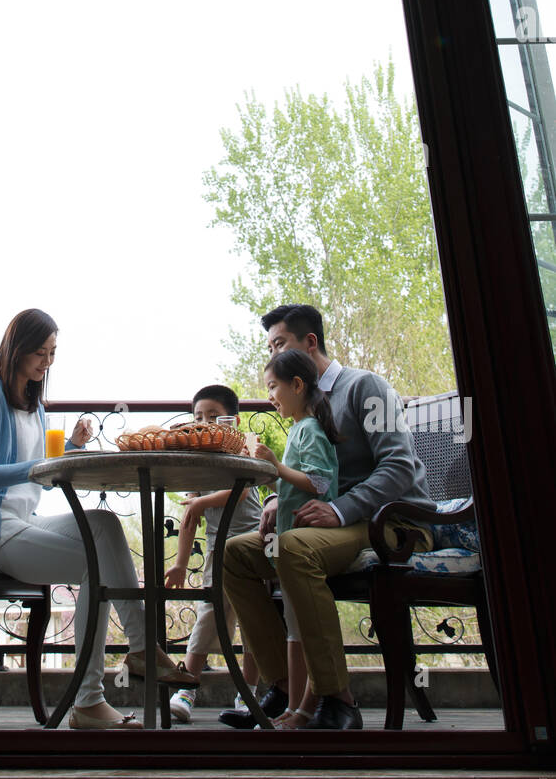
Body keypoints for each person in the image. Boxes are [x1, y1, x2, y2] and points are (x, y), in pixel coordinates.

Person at [0, 307, 196, 730]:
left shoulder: (33, 402)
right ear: (17, 349)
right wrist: (40, 466)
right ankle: (88, 702)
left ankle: (141, 647)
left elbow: (43, 479)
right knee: (93, 565)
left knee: (104, 524)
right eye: (41, 353)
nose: (47, 362)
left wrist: (69, 449)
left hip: (22, 518)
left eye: (52, 353)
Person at [220, 303, 436, 731]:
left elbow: (400, 467)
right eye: (270, 347)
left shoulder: (366, 386)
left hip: (392, 524)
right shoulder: (303, 404)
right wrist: (278, 501)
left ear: (310, 343)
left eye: (280, 344)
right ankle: (282, 687)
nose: (275, 355)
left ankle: (337, 699)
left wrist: (338, 510)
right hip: (333, 527)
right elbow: (315, 472)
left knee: (296, 548)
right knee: (237, 553)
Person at [164, 385, 261, 723]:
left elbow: (244, 490)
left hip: (252, 542)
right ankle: (187, 688)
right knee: (211, 610)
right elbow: (190, 517)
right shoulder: (199, 457)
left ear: (232, 420)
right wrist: (178, 564)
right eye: (198, 417)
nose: (205, 423)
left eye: (213, 416)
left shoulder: (245, 443)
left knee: (252, 619)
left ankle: (247, 694)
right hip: (219, 548)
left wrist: (204, 501)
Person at [252, 348, 339, 730]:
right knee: (293, 626)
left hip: (306, 542)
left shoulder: (310, 430)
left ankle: (303, 709)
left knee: (299, 627)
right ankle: (293, 708)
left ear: (297, 385)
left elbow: (320, 482)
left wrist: (276, 466)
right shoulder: (301, 428)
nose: (270, 395)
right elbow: (294, 486)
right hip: (289, 539)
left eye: (274, 386)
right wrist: (272, 474)